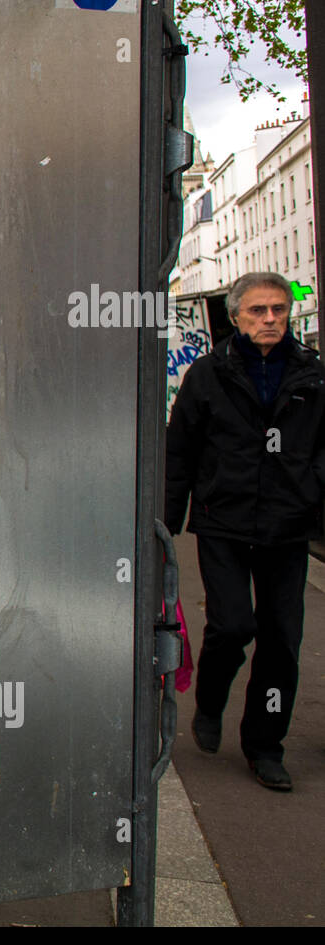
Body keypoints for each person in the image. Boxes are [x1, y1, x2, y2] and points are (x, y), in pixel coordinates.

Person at [166, 271, 325, 791]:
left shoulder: (310, 375)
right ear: (235, 317)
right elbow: (180, 454)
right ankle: (210, 700)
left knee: (282, 640)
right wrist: (163, 532)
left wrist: (312, 495)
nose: (270, 319)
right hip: (224, 521)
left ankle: (264, 745)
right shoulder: (208, 376)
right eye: (258, 311)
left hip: (287, 525)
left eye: (278, 310)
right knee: (233, 626)